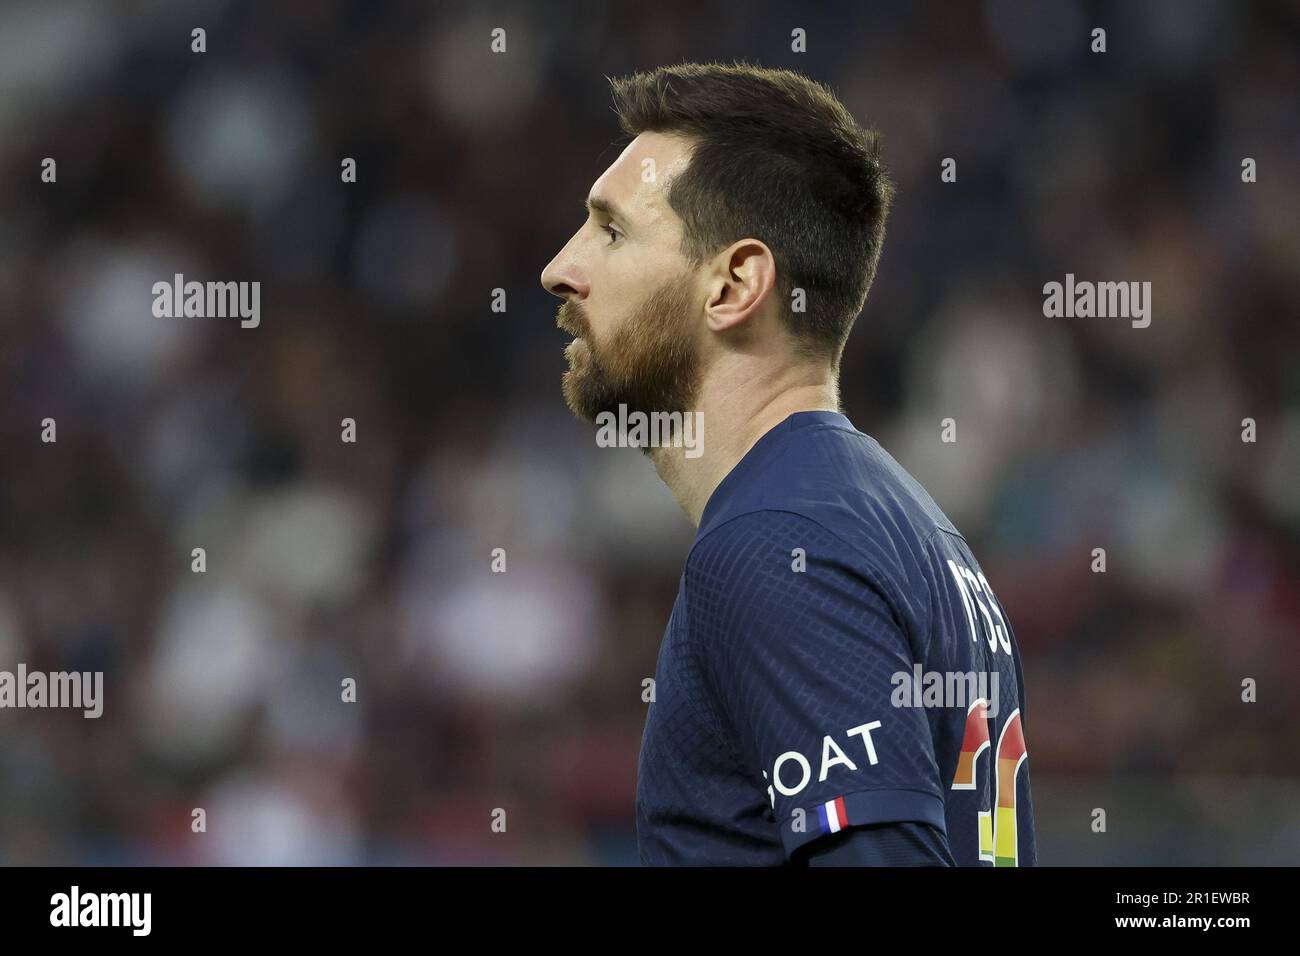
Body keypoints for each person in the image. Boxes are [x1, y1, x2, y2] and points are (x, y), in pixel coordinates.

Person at [540, 61, 1035, 866]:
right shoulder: (909, 527)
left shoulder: (775, 545)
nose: (560, 267)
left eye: (611, 230)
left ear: (735, 284)